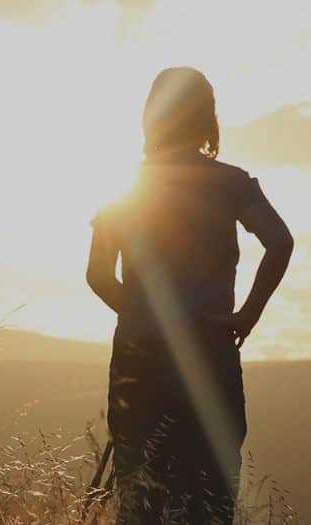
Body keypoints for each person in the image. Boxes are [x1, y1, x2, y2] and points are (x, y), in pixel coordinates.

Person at [86, 67, 293, 524]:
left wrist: (144, 312)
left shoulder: (124, 190)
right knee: (209, 501)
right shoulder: (232, 183)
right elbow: (280, 242)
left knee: (139, 502)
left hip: (139, 360)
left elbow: (98, 275)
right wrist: (247, 316)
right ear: (207, 118)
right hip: (209, 355)